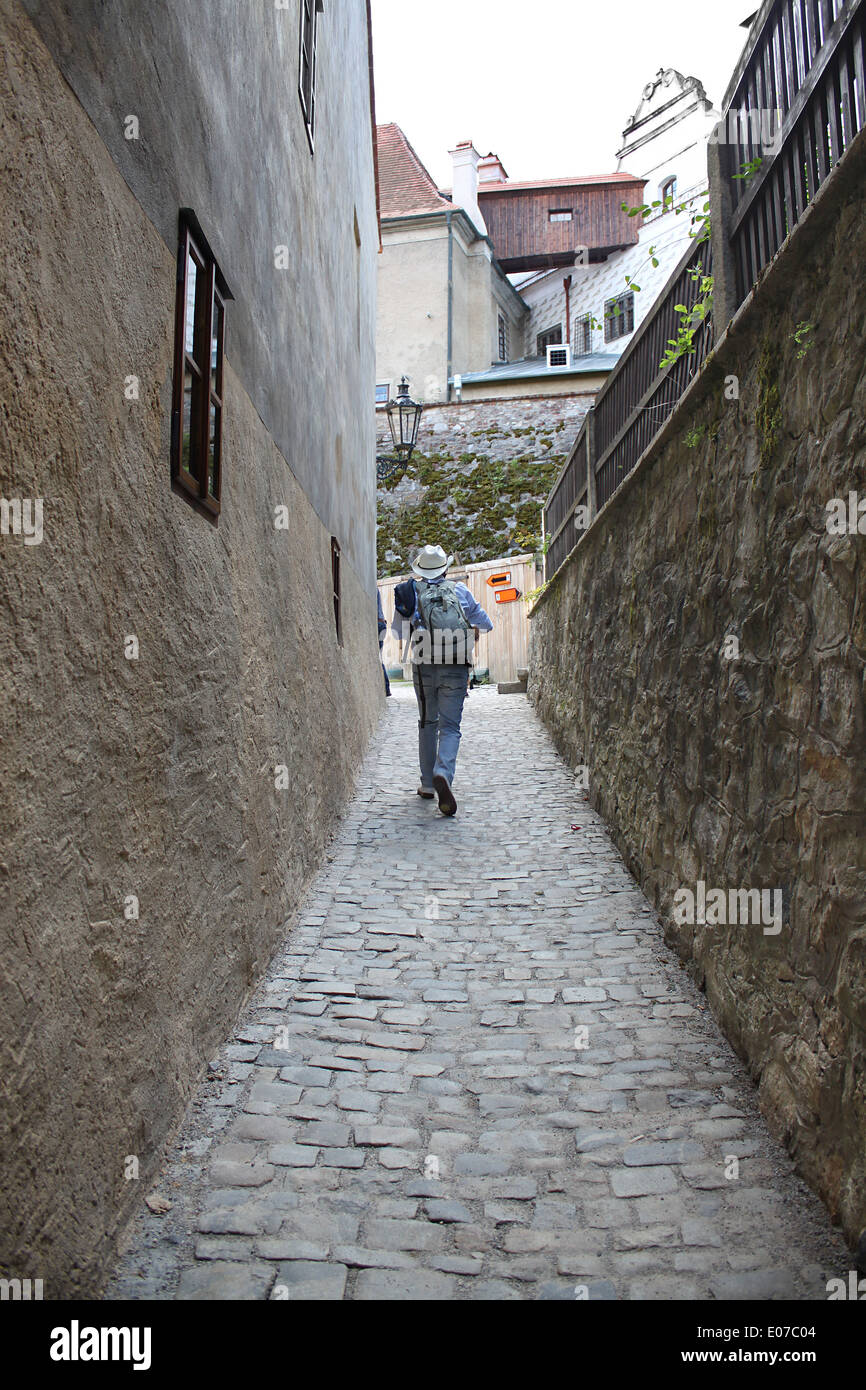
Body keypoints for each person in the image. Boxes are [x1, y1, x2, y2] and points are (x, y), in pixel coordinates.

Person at [391, 544, 493, 817]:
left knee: (427, 722)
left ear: (421, 570)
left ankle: (427, 784)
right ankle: (443, 773)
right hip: (455, 665)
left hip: (424, 664)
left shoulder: (409, 592)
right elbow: (486, 624)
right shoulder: (459, 590)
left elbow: (397, 633)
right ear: (445, 568)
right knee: (450, 727)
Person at [377, 589, 391, 696]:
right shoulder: (376, 588)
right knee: (379, 658)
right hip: (381, 623)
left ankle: (386, 688)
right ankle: (386, 688)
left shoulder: (373, 588)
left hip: (378, 623)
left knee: (378, 658)